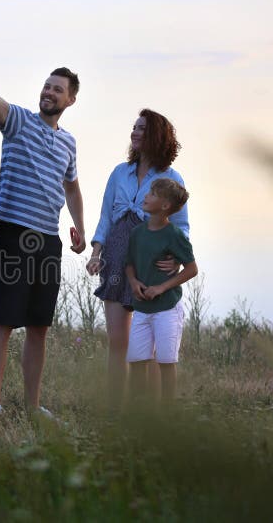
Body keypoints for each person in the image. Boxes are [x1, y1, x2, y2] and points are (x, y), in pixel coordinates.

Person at [0, 44, 86, 415]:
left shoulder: (68, 143)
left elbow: (71, 187)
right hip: (12, 233)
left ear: (70, 100)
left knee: (39, 326)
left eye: (58, 89)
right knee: (5, 321)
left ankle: (32, 406)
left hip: (47, 242)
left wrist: (79, 228)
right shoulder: (18, 121)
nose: (49, 92)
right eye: (46, 86)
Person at [86, 109, 189, 406]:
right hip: (116, 258)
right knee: (118, 341)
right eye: (134, 127)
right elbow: (106, 216)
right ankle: (116, 408)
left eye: (142, 128)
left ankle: (150, 411)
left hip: (153, 263)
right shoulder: (120, 172)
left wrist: (177, 261)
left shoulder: (172, 177)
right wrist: (96, 253)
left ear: (156, 135)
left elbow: (181, 227)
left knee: (151, 343)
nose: (134, 133)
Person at [125, 178, 197, 401]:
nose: (146, 197)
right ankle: (140, 411)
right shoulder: (137, 233)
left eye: (152, 194)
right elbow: (129, 263)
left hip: (167, 309)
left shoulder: (174, 234)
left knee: (166, 362)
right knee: (137, 361)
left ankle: (167, 413)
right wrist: (134, 283)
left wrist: (162, 287)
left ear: (165, 206)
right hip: (142, 310)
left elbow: (191, 269)